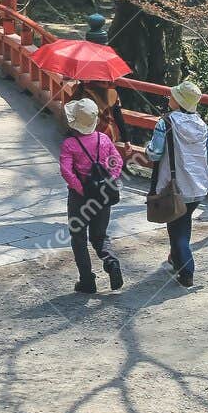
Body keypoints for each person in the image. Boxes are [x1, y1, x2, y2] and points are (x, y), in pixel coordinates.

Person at [145, 80, 208, 287]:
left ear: (179, 101)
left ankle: (187, 270)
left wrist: (146, 149)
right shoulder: (202, 125)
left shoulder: (165, 123)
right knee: (184, 222)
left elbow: (154, 154)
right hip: (198, 186)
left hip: (174, 188)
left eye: (173, 96)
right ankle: (175, 257)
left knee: (176, 228)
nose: (169, 98)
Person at [60, 98, 125, 294]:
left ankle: (87, 280)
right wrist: (109, 181)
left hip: (80, 198)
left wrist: (80, 188)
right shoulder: (103, 139)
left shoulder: (70, 144)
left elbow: (66, 171)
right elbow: (117, 162)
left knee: (78, 238)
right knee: (99, 236)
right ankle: (111, 262)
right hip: (102, 196)